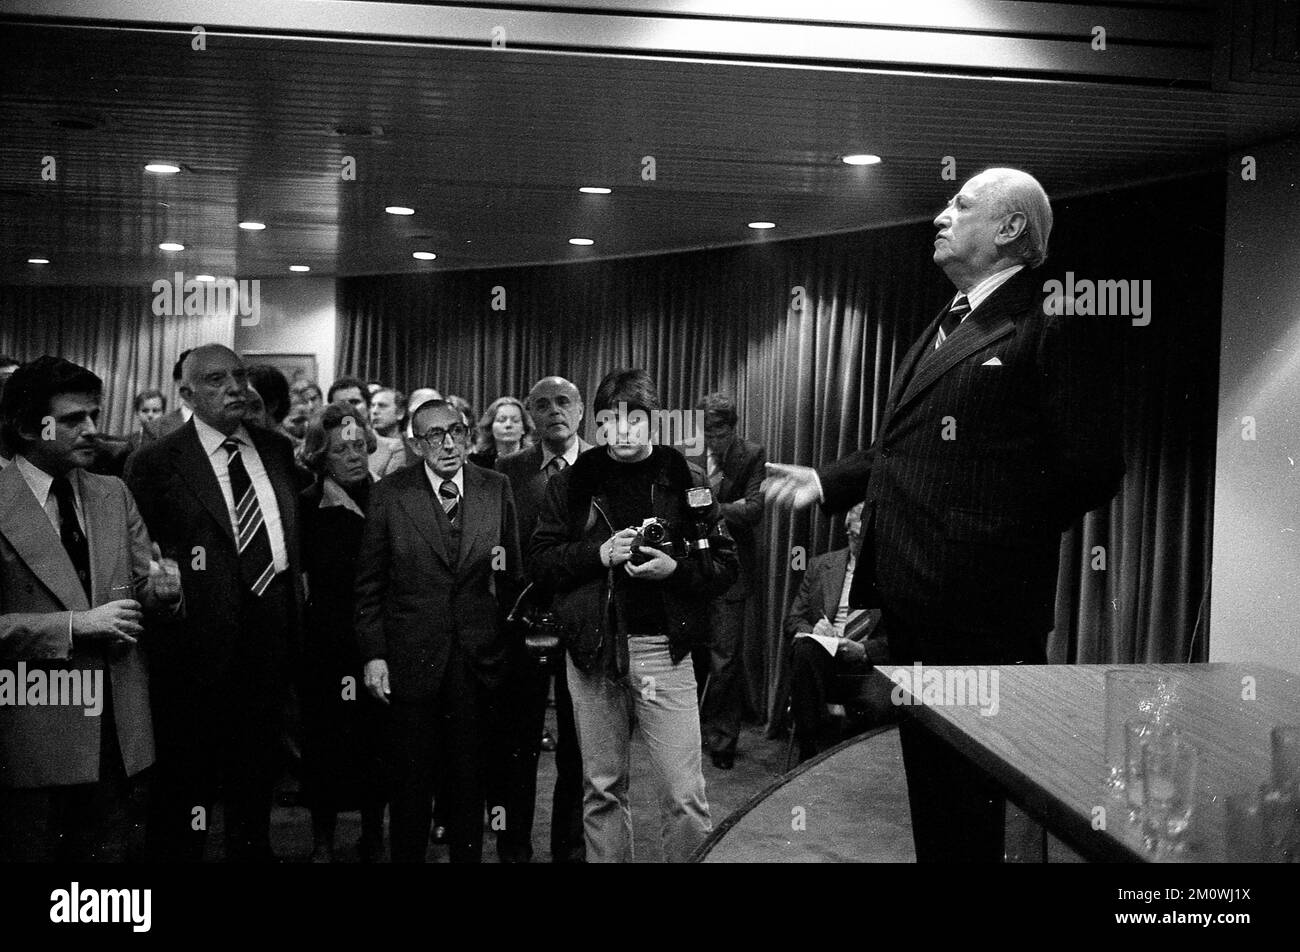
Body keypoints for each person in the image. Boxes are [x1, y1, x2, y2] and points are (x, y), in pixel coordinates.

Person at [763, 167, 1124, 862]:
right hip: (916, 604)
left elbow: (1093, 468)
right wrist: (828, 479)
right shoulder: (948, 319)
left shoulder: (1048, 322)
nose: (941, 214)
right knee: (937, 807)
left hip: (980, 613)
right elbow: (911, 451)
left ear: (1011, 228)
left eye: (961, 204)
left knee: (969, 814)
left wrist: (986, 537)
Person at [529, 368, 738, 862]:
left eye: (635, 421)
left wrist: (675, 568)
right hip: (593, 653)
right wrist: (596, 554)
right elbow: (539, 563)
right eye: (611, 421)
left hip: (666, 650)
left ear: (654, 421)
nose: (623, 432)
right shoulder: (573, 481)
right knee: (602, 789)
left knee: (685, 795)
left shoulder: (685, 477)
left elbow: (724, 565)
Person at [126, 344, 305, 862]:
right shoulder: (156, 460)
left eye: (240, 376)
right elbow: (145, 555)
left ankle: (252, 850)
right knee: (187, 780)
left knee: (256, 770)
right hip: (195, 647)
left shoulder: (275, 449)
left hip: (270, 638)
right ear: (186, 393)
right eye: (215, 379)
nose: (234, 388)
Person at [0, 356, 182, 861]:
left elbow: (144, 589)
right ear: (25, 426)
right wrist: (75, 626)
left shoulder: (111, 492)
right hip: (31, 729)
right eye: (75, 419)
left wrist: (166, 592)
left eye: (94, 416)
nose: (92, 431)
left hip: (116, 730)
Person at [354, 399, 523, 863]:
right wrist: (374, 655)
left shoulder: (495, 487)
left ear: (468, 433)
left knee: (469, 784)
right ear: (413, 443)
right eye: (434, 435)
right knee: (411, 788)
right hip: (411, 662)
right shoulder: (390, 493)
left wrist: (505, 647)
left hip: (476, 661)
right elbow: (369, 586)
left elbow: (511, 576)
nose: (448, 444)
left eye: (457, 431)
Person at [494, 376, 591, 863]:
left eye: (564, 401)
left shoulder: (602, 467)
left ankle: (569, 849)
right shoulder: (506, 472)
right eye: (543, 404)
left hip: (583, 626)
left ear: (580, 410)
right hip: (524, 625)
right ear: (530, 414)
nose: (554, 410)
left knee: (578, 746)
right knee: (519, 745)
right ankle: (514, 847)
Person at [298, 402, 387, 862]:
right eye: (340, 450)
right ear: (319, 456)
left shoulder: (389, 497)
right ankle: (322, 841)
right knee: (325, 743)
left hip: (378, 640)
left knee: (377, 743)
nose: (354, 456)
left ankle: (374, 834)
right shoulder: (306, 506)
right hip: (326, 644)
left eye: (359, 446)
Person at [691, 392, 766, 770]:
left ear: (732, 428)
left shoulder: (751, 455)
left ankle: (722, 740)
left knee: (725, 660)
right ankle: (688, 732)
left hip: (731, 570)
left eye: (717, 431)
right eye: (704, 430)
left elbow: (754, 510)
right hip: (689, 569)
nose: (710, 439)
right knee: (689, 654)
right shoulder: (686, 451)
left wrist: (709, 508)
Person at [784, 504, 892, 764]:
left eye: (862, 536)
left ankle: (841, 758)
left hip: (869, 667)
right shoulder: (821, 565)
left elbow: (908, 637)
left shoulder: (894, 573)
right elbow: (793, 620)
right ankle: (811, 749)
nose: (857, 541)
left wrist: (865, 650)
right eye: (853, 535)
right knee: (804, 650)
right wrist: (814, 631)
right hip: (827, 660)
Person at [467, 395, 533, 470]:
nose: (508, 425)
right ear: (490, 427)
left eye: (515, 420)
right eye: (501, 420)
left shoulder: (535, 460)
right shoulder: (476, 462)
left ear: (524, 428)